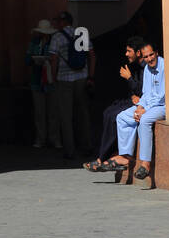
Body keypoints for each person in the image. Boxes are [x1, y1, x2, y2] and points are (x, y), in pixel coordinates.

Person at [84, 36, 144, 171]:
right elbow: (137, 91)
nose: (126, 54)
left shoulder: (146, 67)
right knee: (108, 112)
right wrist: (134, 94)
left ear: (138, 52)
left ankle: (105, 157)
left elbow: (143, 90)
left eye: (129, 51)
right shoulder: (135, 66)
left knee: (115, 116)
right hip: (136, 100)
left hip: (144, 104)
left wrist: (129, 78)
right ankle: (105, 155)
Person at [110, 39, 165, 179]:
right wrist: (140, 107)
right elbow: (146, 93)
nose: (149, 59)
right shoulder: (147, 68)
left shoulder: (165, 66)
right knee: (121, 117)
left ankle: (145, 164)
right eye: (146, 57)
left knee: (144, 120)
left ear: (157, 53)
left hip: (162, 105)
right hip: (148, 105)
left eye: (151, 55)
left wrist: (144, 111)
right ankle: (126, 156)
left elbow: (162, 96)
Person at [48, 11, 94, 161]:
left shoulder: (56, 37)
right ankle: (87, 147)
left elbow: (53, 59)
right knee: (83, 113)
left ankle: (70, 150)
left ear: (62, 22)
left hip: (64, 80)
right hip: (82, 77)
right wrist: (91, 76)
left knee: (66, 116)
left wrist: (54, 77)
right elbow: (92, 55)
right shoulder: (81, 34)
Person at [25, 20, 55, 148]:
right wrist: (34, 59)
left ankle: (54, 139)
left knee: (53, 112)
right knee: (39, 112)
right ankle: (40, 139)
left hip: (50, 81)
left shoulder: (54, 42)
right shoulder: (34, 43)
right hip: (37, 80)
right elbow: (27, 60)